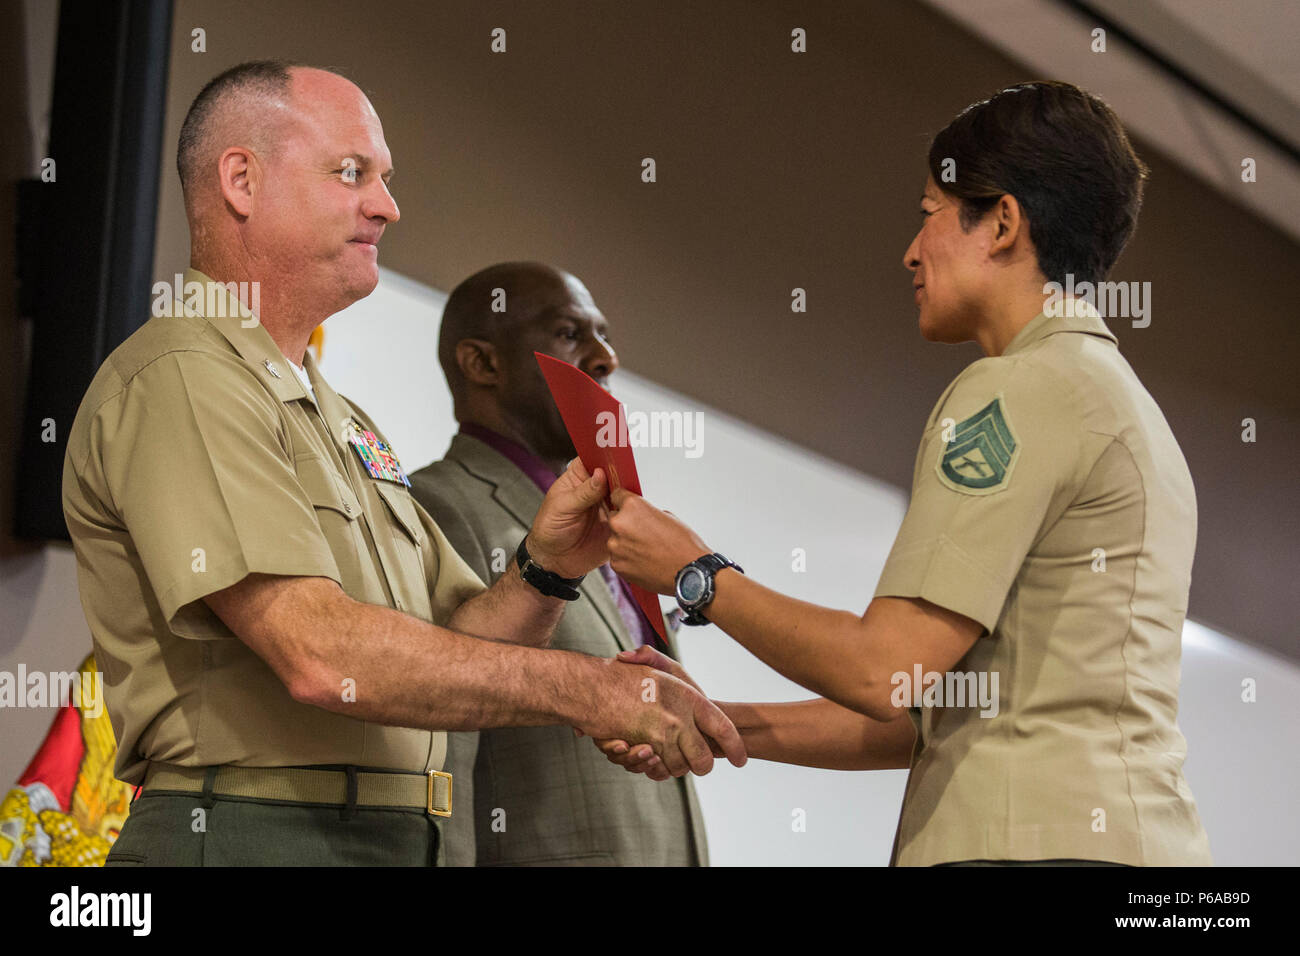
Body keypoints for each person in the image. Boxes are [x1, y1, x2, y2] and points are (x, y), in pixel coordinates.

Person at [61, 61, 742, 867]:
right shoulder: (184, 377)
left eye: (384, 178)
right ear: (241, 181)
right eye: (353, 172)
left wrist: (547, 570)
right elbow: (318, 654)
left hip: (387, 840)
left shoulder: (343, 420)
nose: (388, 205)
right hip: (254, 835)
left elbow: (454, 636)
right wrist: (589, 690)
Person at [595, 81, 1213, 867]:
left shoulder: (1018, 388)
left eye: (929, 216)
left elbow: (883, 670)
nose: (911, 252)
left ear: (1003, 223)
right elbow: (930, 710)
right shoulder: (1126, 410)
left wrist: (694, 572)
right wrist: (712, 718)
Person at [409, 262, 709, 866]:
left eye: (602, 333)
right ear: (483, 363)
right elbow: (439, 732)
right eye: (571, 334)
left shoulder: (606, 519)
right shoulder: (438, 503)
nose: (605, 358)